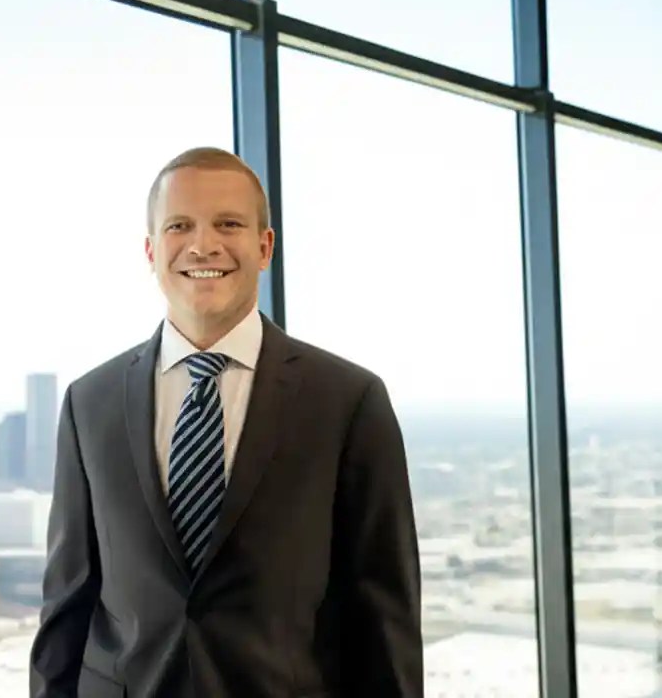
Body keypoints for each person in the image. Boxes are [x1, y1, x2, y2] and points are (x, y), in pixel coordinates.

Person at [29, 147, 424, 697]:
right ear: (151, 249)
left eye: (228, 224)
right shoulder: (89, 403)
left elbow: (385, 620)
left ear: (265, 248)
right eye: (179, 226)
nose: (202, 244)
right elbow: (66, 609)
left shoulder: (349, 402)